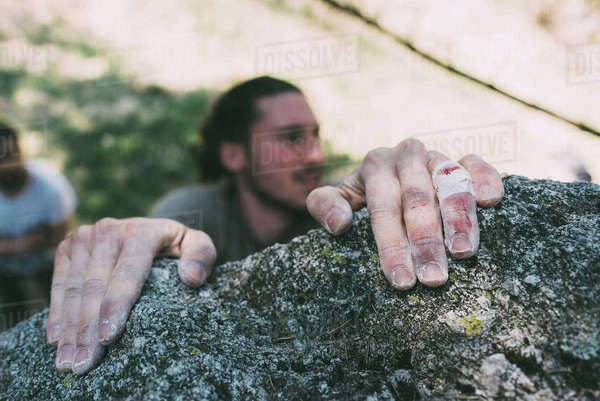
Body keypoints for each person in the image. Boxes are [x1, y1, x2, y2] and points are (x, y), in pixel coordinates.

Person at [46, 77, 504, 375]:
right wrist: (127, 234)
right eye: (290, 140)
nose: (314, 156)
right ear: (233, 156)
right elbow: (162, 230)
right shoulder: (196, 208)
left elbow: (366, 198)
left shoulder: (329, 207)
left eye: (314, 136)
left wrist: (414, 175)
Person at [0, 120, 76, 331]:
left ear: (19, 152)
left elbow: (59, 237)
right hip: (4, 270)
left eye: (6, 157)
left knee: (63, 310)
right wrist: (30, 241)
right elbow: (43, 238)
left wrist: (7, 245)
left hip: (47, 263)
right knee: (8, 319)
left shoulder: (51, 186)